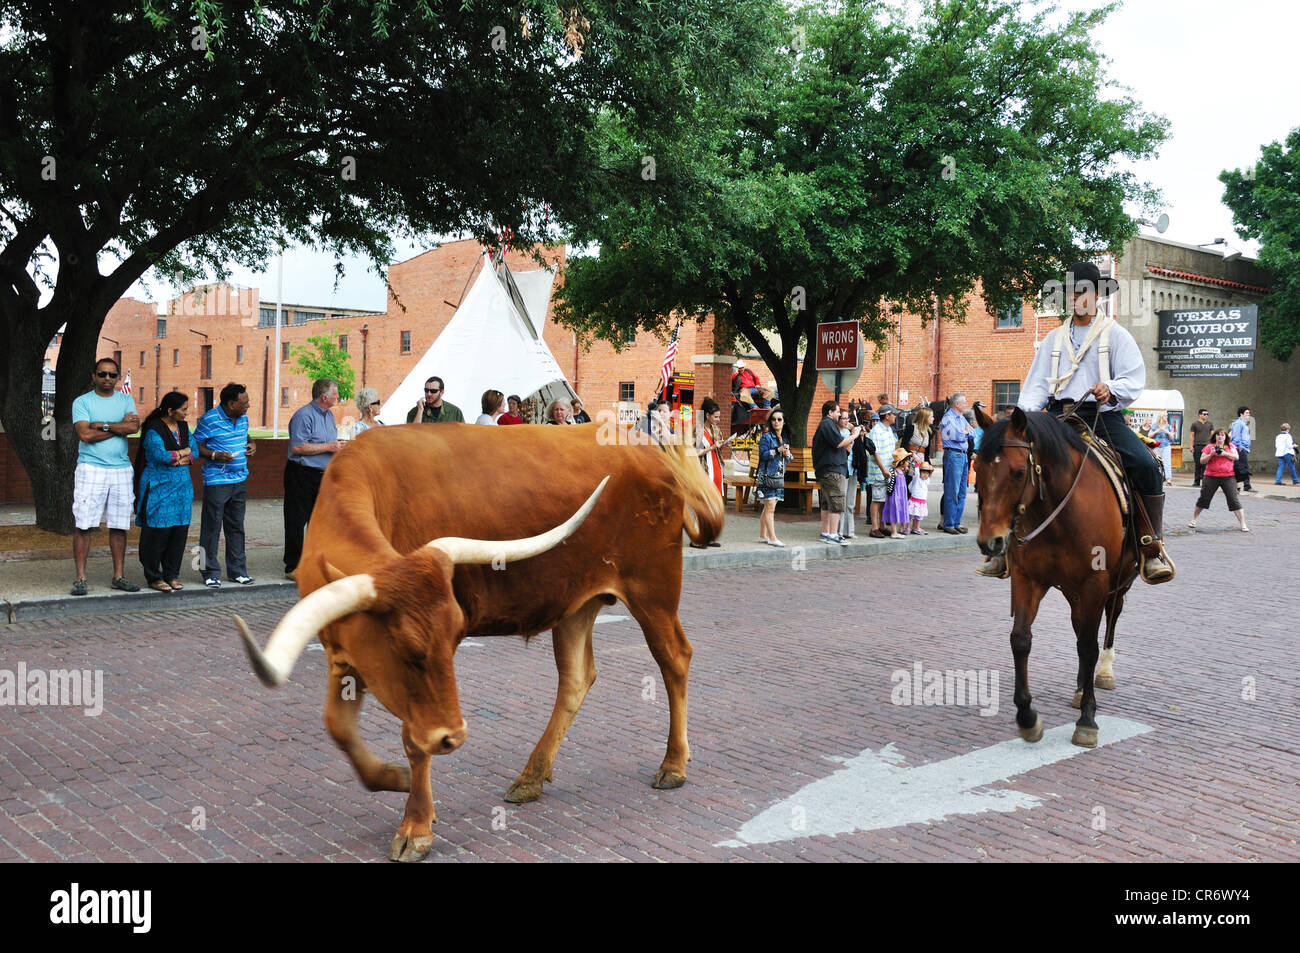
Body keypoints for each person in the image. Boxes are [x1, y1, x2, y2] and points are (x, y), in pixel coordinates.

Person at [979, 260, 1172, 583]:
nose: (1076, 297)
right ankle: (1004, 550)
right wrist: (1021, 419)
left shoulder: (1117, 336)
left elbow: (1134, 378)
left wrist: (1110, 388)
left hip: (1102, 416)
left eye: (1082, 291)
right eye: (1071, 292)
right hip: (1056, 417)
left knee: (1146, 465)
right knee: (1014, 468)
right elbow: (1036, 385)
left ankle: (1150, 548)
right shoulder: (1054, 339)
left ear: (1097, 295)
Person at [70, 357, 141, 595]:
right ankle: (80, 578)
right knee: (84, 524)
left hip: (121, 469)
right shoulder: (82, 402)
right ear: (94, 376)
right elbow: (85, 436)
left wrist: (103, 425)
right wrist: (117, 427)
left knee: (119, 524)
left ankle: (118, 576)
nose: (107, 379)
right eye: (102, 374)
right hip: (91, 468)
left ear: (118, 377)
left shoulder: (126, 399)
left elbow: (133, 428)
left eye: (112, 375)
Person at [194, 382, 258, 588]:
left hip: (239, 480)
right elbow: (195, 444)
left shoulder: (243, 418)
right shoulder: (209, 419)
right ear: (231, 404)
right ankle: (208, 571)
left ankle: (238, 571)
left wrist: (252, 444)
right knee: (211, 528)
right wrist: (214, 455)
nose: (248, 406)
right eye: (244, 402)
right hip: (216, 481)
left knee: (236, 528)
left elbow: (244, 434)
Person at [133, 391, 197, 593]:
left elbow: (194, 451)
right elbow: (161, 456)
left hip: (182, 490)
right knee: (158, 533)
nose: (187, 413)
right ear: (170, 410)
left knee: (178, 532)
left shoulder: (184, 428)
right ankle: (153, 576)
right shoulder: (154, 429)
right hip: (159, 488)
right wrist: (181, 453)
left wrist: (182, 455)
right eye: (183, 409)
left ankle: (171, 574)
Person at [284, 379, 343, 578]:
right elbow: (298, 447)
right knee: (296, 520)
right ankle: (292, 567)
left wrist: (336, 448)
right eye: (336, 394)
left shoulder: (329, 415)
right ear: (325, 397)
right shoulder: (304, 416)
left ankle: (315, 562)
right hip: (301, 473)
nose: (338, 397)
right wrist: (329, 447)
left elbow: (327, 443)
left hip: (322, 475)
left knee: (319, 521)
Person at [812, 400, 859, 545]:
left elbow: (846, 448)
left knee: (827, 503)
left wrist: (849, 431)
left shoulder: (829, 425)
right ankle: (833, 534)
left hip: (829, 469)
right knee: (837, 502)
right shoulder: (827, 424)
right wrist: (855, 434)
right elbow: (838, 443)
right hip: (832, 470)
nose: (839, 415)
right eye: (838, 412)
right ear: (830, 412)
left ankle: (826, 532)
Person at [1188, 429, 1248, 533]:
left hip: (1228, 476)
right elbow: (1202, 461)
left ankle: (1243, 524)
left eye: (1222, 435)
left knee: (1233, 500)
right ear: (1215, 437)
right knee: (1204, 498)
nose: (1220, 437)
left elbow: (1236, 457)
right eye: (1218, 435)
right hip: (1211, 476)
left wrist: (1225, 454)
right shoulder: (1209, 447)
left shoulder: (1230, 446)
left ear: (1225, 437)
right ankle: (1194, 520)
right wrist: (1211, 454)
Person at [689, 397, 727, 549]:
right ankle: (696, 538)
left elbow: (719, 447)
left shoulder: (715, 429)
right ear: (707, 415)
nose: (718, 419)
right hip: (704, 470)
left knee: (712, 506)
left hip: (716, 468)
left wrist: (721, 445)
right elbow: (693, 452)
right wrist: (711, 448)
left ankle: (709, 537)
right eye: (716, 416)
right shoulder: (698, 430)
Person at [756, 410, 793, 547]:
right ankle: (772, 537)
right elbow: (763, 455)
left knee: (768, 507)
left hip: (778, 476)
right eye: (773, 419)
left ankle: (762, 535)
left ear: (784, 422)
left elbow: (788, 459)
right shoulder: (767, 438)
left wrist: (788, 454)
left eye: (779, 419)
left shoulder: (784, 438)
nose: (776, 422)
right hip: (767, 475)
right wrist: (777, 450)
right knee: (770, 507)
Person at [939, 393, 974, 534]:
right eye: (964, 402)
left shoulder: (961, 418)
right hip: (953, 455)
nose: (966, 404)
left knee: (962, 492)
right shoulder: (948, 417)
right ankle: (949, 523)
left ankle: (956, 522)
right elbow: (957, 436)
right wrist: (965, 432)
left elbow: (973, 434)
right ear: (957, 404)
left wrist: (964, 432)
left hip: (963, 456)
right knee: (952, 491)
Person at [866, 404, 899, 538]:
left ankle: (882, 525)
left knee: (884, 499)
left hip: (888, 470)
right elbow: (876, 453)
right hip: (880, 471)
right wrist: (883, 469)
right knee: (877, 499)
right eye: (894, 414)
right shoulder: (877, 431)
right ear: (887, 415)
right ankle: (874, 527)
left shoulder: (888, 429)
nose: (895, 416)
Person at [837, 410, 858, 540]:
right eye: (843, 418)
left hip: (852, 469)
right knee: (841, 502)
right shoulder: (837, 433)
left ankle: (849, 531)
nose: (845, 421)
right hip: (842, 470)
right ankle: (839, 531)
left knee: (850, 503)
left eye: (847, 418)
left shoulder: (850, 432)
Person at [884, 448, 912, 538]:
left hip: (901, 496)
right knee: (894, 512)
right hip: (895, 496)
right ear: (901, 462)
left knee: (897, 512)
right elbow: (888, 481)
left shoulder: (902, 471)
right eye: (907, 460)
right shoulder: (894, 472)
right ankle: (894, 532)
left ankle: (896, 530)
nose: (908, 462)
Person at [1230, 406, 1254, 492]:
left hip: (1244, 448)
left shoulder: (1243, 423)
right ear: (1241, 414)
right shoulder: (1239, 423)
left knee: (1240, 467)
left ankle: (1235, 485)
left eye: (1249, 413)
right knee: (1244, 467)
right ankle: (1247, 486)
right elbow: (1236, 436)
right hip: (1240, 448)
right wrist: (1239, 446)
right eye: (1247, 413)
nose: (1249, 414)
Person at [907, 459, 932, 536]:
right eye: (923, 472)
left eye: (927, 473)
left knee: (919, 516)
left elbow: (930, 473)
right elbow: (917, 473)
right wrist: (917, 465)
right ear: (920, 472)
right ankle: (907, 528)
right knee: (910, 515)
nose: (925, 474)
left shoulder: (927, 481)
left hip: (922, 501)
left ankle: (916, 528)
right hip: (914, 500)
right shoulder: (917, 479)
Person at [1149, 412, 1175, 486]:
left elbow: (1172, 438)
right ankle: (1158, 478)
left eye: (1166, 416)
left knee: (1167, 462)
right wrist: (1157, 431)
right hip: (1156, 446)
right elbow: (1149, 435)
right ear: (1161, 417)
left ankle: (1168, 479)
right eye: (1165, 416)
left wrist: (1167, 432)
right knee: (1157, 462)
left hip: (1166, 446)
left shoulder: (1169, 426)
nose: (1166, 417)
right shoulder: (1154, 426)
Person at [1189, 409, 1212, 487]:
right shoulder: (1194, 424)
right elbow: (1192, 435)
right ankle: (1197, 481)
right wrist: (1191, 446)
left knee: (1206, 465)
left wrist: (1212, 445)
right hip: (1197, 446)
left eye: (1207, 414)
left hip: (1207, 446)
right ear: (1199, 415)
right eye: (1204, 414)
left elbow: (1212, 435)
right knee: (1198, 464)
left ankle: (1205, 482)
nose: (1206, 416)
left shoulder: (1210, 424)